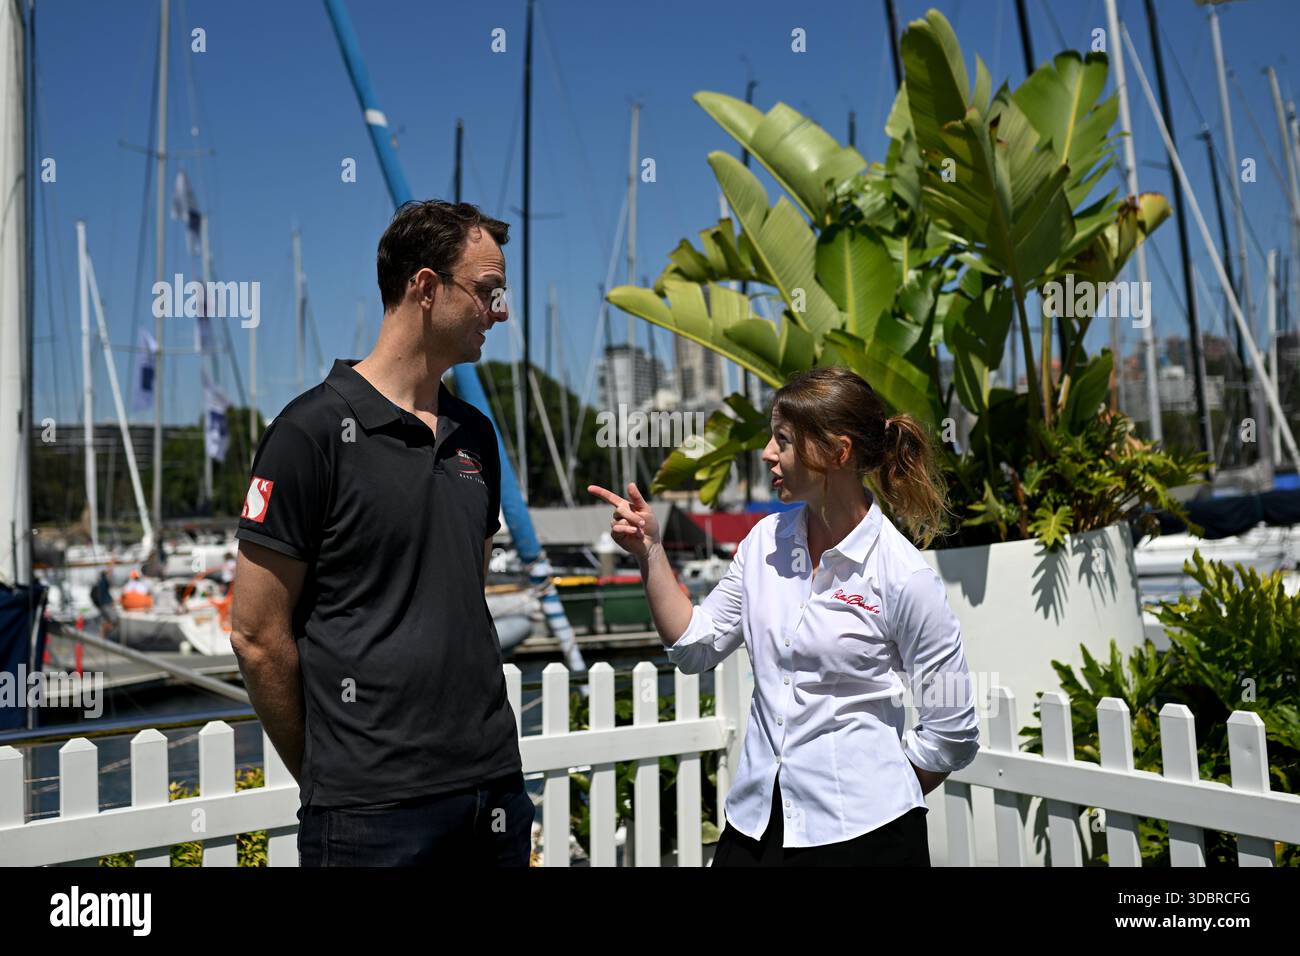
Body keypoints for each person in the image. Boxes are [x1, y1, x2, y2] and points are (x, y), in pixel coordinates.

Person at [230, 200, 533, 867]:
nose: (502, 311)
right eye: (488, 292)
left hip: (492, 794)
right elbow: (255, 634)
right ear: (426, 288)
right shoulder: (309, 433)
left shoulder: (476, 435)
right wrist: (331, 773)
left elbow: (459, 596)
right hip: (370, 817)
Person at [588, 366, 981, 866]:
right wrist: (650, 553)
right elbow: (694, 647)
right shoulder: (761, 543)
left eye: (784, 441)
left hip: (868, 840)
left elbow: (953, 732)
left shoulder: (904, 576)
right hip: (753, 828)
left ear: (837, 453)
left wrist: (880, 795)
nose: (768, 454)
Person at [90, 568, 117, 639]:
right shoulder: (104, 581)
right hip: (106, 605)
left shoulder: (99, 583)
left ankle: (103, 636)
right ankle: (105, 635)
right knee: (114, 620)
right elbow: (110, 574)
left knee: (106, 621)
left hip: (101, 605)